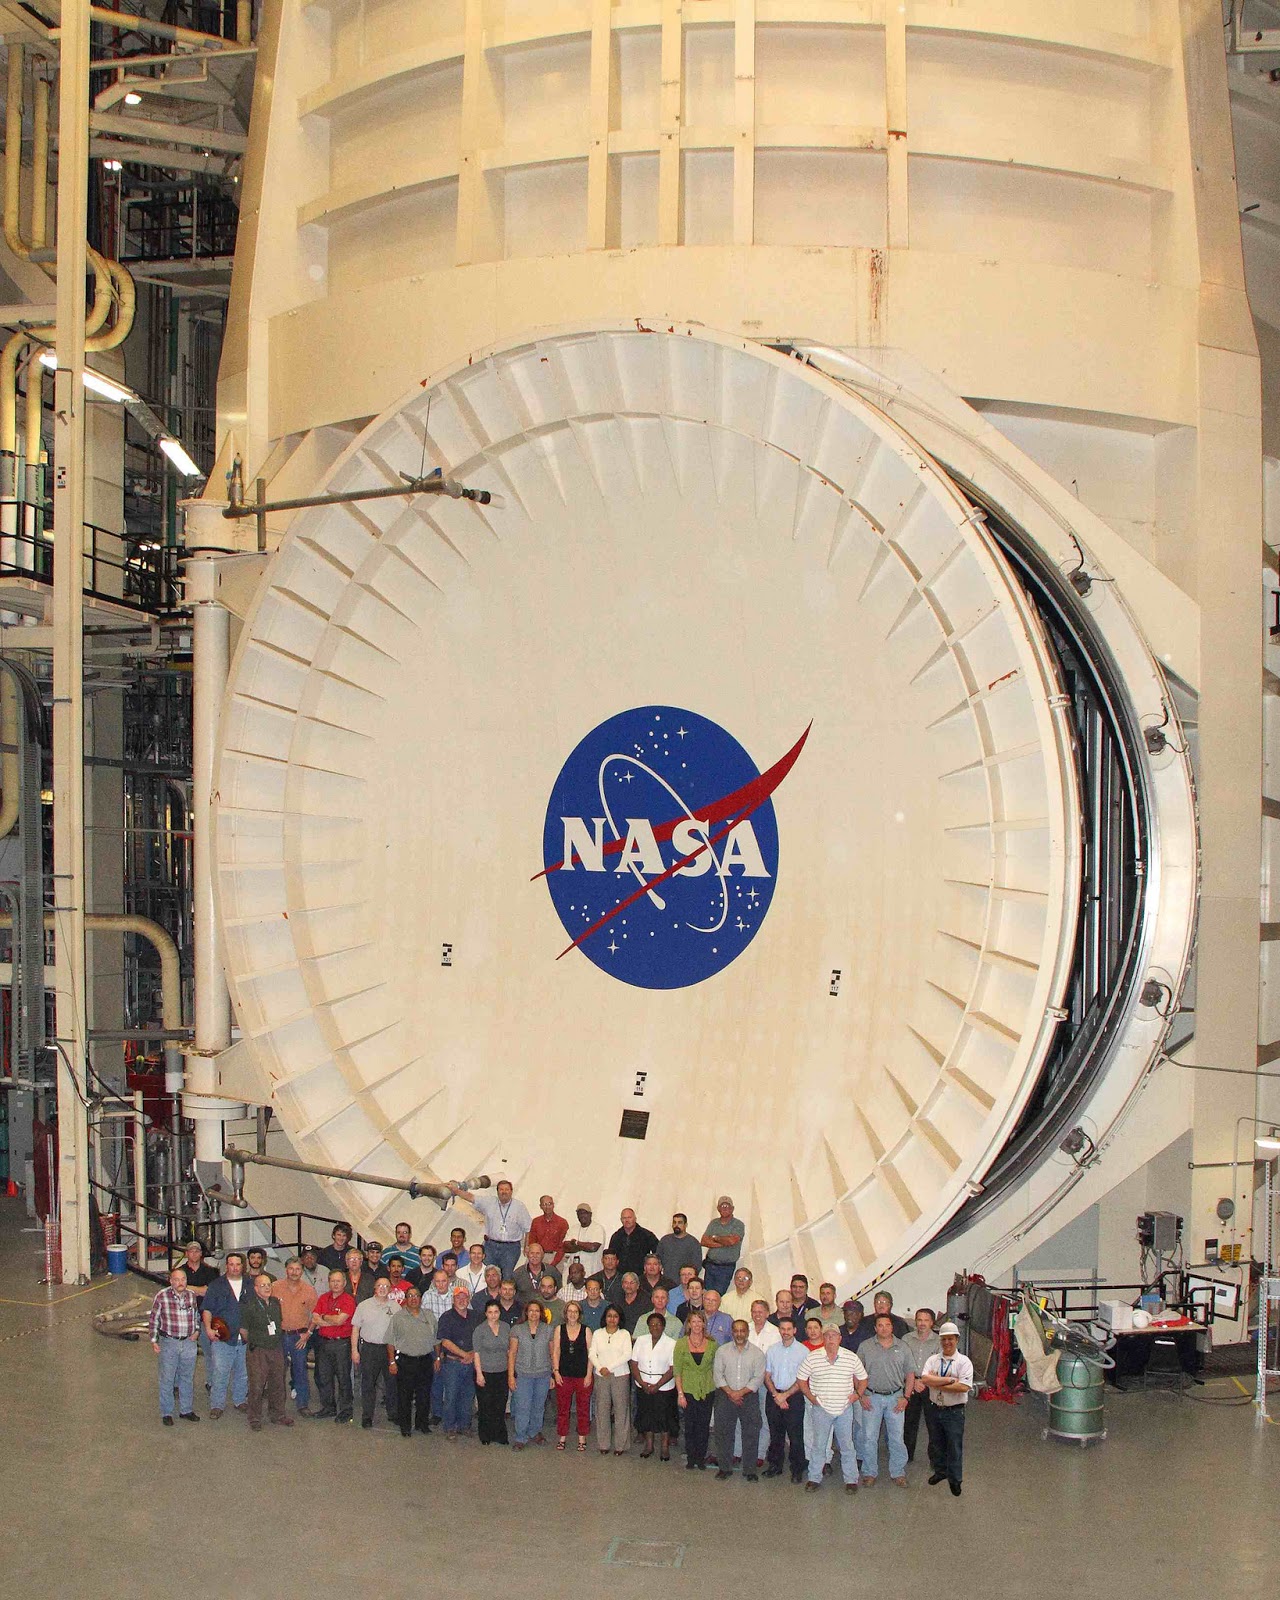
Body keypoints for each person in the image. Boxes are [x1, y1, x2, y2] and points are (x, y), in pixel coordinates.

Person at [797, 1325, 869, 1494]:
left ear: (839, 1338)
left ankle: (851, 1480)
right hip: (821, 1409)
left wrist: (857, 1394)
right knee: (819, 1445)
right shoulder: (813, 1357)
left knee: (847, 1446)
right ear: (823, 1338)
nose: (830, 1339)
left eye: (834, 1335)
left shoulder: (850, 1357)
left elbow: (863, 1378)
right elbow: (801, 1379)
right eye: (827, 1335)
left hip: (844, 1409)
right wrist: (811, 1397)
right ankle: (814, 1478)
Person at [858, 1313, 914, 1486]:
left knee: (897, 1437)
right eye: (880, 1325)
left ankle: (898, 1472)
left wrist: (906, 1397)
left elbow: (910, 1374)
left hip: (895, 1398)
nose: (884, 1328)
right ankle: (869, 1472)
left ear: (892, 1327)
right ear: (875, 1328)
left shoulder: (903, 1347)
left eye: (887, 1325)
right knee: (869, 1437)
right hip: (871, 1397)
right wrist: (861, 1394)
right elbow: (857, 1372)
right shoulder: (865, 1346)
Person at [919, 1321, 973, 1496]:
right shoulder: (933, 1360)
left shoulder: (964, 1362)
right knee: (936, 1443)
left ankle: (955, 1480)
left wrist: (937, 1383)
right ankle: (940, 1472)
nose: (947, 1343)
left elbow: (963, 1387)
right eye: (944, 1339)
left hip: (954, 1411)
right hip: (935, 1409)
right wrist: (950, 1380)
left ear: (957, 1339)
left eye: (950, 1339)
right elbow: (925, 1380)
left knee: (954, 1446)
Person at [447, 1177, 532, 1281]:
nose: (504, 1192)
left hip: (511, 1249)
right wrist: (456, 1190)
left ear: (511, 1191)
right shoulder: (489, 1202)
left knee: (507, 1277)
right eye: (501, 1189)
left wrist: (527, 1246)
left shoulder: (519, 1207)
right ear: (497, 1191)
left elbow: (528, 1228)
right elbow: (471, 1197)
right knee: (487, 1275)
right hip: (490, 1246)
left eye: (506, 1189)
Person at [149, 1266, 201, 1426]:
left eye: (183, 1279)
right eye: (176, 1280)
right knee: (167, 1379)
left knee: (187, 1378)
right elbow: (154, 1319)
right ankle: (167, 1412)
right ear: (171, 1281)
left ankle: (186, 1410)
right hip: (169, 1343)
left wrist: (197, 1331)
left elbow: (196, 1316)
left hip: (189, 1343)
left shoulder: (191, 1296)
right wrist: (154, 1340)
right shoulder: (162, 1297)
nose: (180, 1283)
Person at [242, 1273, 293, 1431]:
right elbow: (243, 1330)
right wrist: (255, 1342)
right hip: (258, 1350)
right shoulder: (249, 1305)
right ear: (256, 1288)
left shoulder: (275, 1303)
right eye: (262, 1285)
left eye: (269, 1285)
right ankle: (255, 1417)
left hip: (276, 1348)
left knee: (278, 1383)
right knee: (257, 1385)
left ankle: (277, 1414)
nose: (266, 1288)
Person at [202, 1251, 251, 1418]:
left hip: (244, 1340)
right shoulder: (216, 1285)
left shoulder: (250, 1285)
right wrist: (208, 1329)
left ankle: (240, 1400)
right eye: (231, 1264)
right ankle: (217, 1405)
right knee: (220, 1373)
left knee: (243, 1373)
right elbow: (207, 1309)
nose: (235, 1267)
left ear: (243, 1266)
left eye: (238, 1264)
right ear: (226, 1266)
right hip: (222, 1339)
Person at [387, 1285, 436, 1438]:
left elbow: (437, 1340)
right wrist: (392, 1362)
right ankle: (405, 1426)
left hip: (425, 1360)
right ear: (406, 1299)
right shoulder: (398, 1317)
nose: (413, 1298)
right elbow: (390, 1342)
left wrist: (438, 1357)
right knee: (404, 1396)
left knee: (424, 1395)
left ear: (421, 1299)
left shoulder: (429, 1316)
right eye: (410, 1295)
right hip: (405, 1361)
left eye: (416, 1295)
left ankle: (422, 1423)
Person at [270, 1256, 317, 1413]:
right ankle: (276, 1403)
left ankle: (302, 1404)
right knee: (277, 1370)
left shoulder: (309, 1291)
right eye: (291, 1268)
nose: (294, 1272)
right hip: (279, 1336)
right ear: (286, 1270)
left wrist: (308, 1334)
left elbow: (316, 1315)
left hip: (299, 1337)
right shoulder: (275, 1287)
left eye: (298, 1269)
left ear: (302, 1271)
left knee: (300, 1370)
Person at [308, 1268, 355, 1422]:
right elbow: (315, 1319)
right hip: (324, 1343)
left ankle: (346, 1410)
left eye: (338, 1281)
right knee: (324, 1377)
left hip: (342, 1344)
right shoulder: (323, 1298)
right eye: (332, 1281)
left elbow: (339, 1320)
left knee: (343, 1378)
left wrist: (324, 1318)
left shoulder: (348, 1299)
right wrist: (329, 1319)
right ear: (329, 1282)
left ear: (344, 1283)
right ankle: (328, 1407)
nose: (335, 1284)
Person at [673, 1309, 718, 1470]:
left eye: (700, 1321)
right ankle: (691, 1458)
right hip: (688, 1390)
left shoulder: (712, 1344)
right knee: (690, 1425)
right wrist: (680, 1393)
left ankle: (701, 1457)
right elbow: (677, 1370)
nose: (697, 1325)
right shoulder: (681, 1343)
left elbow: (716, 1368)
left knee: (703, 1426)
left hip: (707, 1389)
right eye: (694, 1321)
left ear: (704, 1324)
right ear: (689, 1324)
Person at [763, 1316, 806, 1481]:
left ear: (794, 1330)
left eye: (789, 1329)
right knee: (775, 1434)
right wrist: (776, 1395)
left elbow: (802, 1379)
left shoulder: (803, 1351)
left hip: (794, 1397)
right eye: (783, 1329)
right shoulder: (772, 1350)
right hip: (774, 1396)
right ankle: (775, 1466)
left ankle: (797, 1469)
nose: (785, 1332)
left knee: (795, 1436)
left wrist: (785, 1395)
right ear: (779, 1330)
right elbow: (767, 1376)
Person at [350, 1276, 397, 1429]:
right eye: (379, 1285)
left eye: (386, 1285)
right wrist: (354, 1351)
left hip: (389, 1349)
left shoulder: (396, 1307)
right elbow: (355, 1329)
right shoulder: (364, 1306)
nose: (383, 1288)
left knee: (392, 1383)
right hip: (369, 1349)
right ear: (374, 1288)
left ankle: (393, 1413)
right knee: (368, 1384)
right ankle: (367, 1416)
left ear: (390, 1289)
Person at [630, 1310, 677, 1461]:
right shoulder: (641, 1340)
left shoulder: (671, 1343)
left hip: (664, 1387)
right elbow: (634, 1363)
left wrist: (657, 1385)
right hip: (643, 1384)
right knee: (646, 1416)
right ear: (648, 1327)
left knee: (665, 1418)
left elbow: (672, 1368)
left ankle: (664, 1447)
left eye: (658, 1324)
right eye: (652, 1325)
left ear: (663, 1326)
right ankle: (649, 1445)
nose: (655, 1327)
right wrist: (642, 1383)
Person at [436, 1284, 482, 1438]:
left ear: (468, 1299)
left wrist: (472, 1354)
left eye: (464, 1297)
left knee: (468, 1396)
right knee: (451, 1396)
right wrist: (464, 1354)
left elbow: (482, 1338)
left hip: (471, 1364)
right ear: (453, 1299)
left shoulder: (476, 1316)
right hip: (453, 1364)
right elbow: (445, 1341)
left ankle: (464, 1425)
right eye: (458, 1297)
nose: (462, 1300)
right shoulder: (446, 1317)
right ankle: (450, 1427)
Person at [509, 1296, 554, 1448]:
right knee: (523, 1406)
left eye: (537, 1311)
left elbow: (553, 1353)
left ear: (541, 1313)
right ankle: (520, 1437)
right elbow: (512, 1354)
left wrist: (553, 1374)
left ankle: (535, 1432)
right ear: (526, 1313)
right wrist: (511, 1376)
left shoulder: (548, 1330)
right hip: (523, 1374)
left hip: (543, 1374)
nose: (534, 1314)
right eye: (531, 1311)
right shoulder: (517, 1329)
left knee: (538, 1406)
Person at [589, 1302, 633, 1455]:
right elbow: (592, 1353)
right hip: (601, 1375)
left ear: (619, 1318)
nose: (612, 1319)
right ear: (605, 1318)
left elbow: (627, 1354)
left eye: (615, 1316)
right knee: (602, 1410)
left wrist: (610, 1367)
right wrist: (600, 1367)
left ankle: (621, 1445)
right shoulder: (598, 1333)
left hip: (620, 1375)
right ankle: (604, 1444)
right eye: (609, 1316)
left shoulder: (624, 1334)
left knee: (621, 1411)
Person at [552, 1298, 593, 1450]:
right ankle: (562, 1436)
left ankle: (582, 1438)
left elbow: (591, 1354)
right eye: (570, 1311)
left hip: (582, 1376)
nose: (572, 1314)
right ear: (565, 1313)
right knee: (563, 1408)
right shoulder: (559, 1329)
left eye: (575, 1312)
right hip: (563, 1375)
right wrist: (556, 1372)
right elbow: (556, 1351)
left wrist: (589, 1374)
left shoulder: (586, 1330)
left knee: (583, 1408)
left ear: (579, 1314)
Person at [902, 1307, 941, 1463]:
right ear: (915, 1321)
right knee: (909, 1423)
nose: (922, 1323)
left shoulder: (940, 1341)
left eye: (926, 1320)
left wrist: (923, 1381)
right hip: (910, 1384)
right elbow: (901, 1363)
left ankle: (935, 1459)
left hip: (931, 1386)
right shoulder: (906, 1339)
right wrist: (913, 1382)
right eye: (919, 1320)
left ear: (932, 1322)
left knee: (934, 1424)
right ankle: (906, 1456)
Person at [473, 1299, 512, 1444]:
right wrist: (479, 1374)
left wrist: (510, 1372)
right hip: (485, 1372)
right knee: (485, 1405)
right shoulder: (480, 1330)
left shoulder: (506, 1327)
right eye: (490, 1312)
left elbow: (509, 1351)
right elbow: (476, 1353)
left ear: (500, 1313)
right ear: (485, 1314)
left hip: (502, 1372)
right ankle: (485, 1435)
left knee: (500, 1404)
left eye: (496, 1312)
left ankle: (499, 1435)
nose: (493, 1315)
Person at [176, 1239, 217, 1376]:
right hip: (183, 1319)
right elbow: (176, 1291)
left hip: (205, 1317)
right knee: (180, 1353)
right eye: (191, 1251)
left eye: (197, 1251)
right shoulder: (179, 1272)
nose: (194, 1254)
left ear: (201, 1254)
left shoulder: (211, 1272)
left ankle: (210, 1382)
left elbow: (209, 1292)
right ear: (186, 1253)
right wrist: (199, 1289)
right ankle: (177, 1384)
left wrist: (187, 1288)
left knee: (210, 1352)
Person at [699, 1196, 745, 1294]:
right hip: (710, 1265)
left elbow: (732, 1241)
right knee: (707, 1295)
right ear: (718, 1209)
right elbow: (704, 1241)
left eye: (727, 1206)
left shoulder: (738, 1224)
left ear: (732, 1209)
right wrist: (724, 1242)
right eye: (722, 1206)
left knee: (719, 1295)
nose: (724, 1208)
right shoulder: (713, 1223)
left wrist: (715, 1238)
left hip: (725, 1268)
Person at [608, 1207, 660, 1277]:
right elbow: (611, 1256)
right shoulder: (616, 1236)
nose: (627, 1220)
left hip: (641, 1276)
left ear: (635, 1218)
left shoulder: (646, 1235)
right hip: (620, 1276)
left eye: (629, 1217)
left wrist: (650, 1268)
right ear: (621, 1220)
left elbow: (657, 1254)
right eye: (624, 1218)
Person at [561, 1202, 603, 1281]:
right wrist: (584, 1246)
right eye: (580, 1213)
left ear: (590, 1214)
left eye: (585, 1213)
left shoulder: (598, 1229)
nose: (582, 1215)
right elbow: (565, 1247)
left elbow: (593, 1248)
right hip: (573, 1274)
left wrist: (576, 1243)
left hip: (592, 1272)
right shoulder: (573, 1229)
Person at [658, 1212, 703, 1285]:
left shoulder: (693, 1243)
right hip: (666, 1282)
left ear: (685, 1225)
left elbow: (697, 1266)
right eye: (674, 1222)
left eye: (679, 1222)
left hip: (685, 1284)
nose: (676, 1225)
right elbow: (658, 1261)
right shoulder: (664, 1241)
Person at [528, 1194, 569, 1265]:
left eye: (550, 1204)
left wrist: (554, 1263)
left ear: (553, 1205)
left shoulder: (562, 1222)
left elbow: (562, 1246)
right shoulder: (536, 1221)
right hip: (538, 1257)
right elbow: (532, 1242)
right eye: (544, 1204)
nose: (547, 1207)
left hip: (556, 1257)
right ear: (540, 1206)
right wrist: (535, 1258)